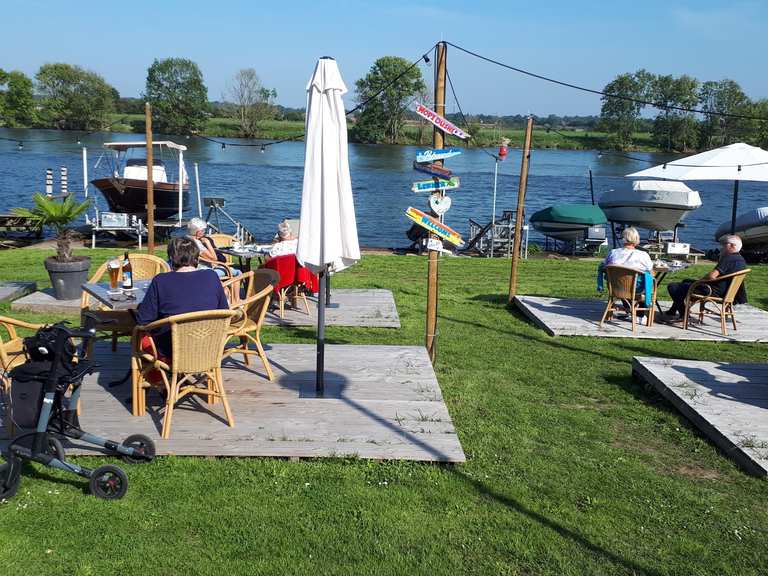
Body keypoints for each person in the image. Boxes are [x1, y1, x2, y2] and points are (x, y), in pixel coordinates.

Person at [135, 236, 229, 358]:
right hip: (209, 346)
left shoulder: (161, 280)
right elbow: (224, 311)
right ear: (196, 256)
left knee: (139, 333)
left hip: (171, 349)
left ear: (171, 257)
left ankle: (155, 375)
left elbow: (144, 320)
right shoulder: (211, 276)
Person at [660, 234, 747, 323]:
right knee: (685, 281)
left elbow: (711, 276)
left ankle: (684, 314)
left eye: (724, 244)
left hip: (712, 291)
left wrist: (699, 281)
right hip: (725, 291)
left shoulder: (729, 258)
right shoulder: (741, 260)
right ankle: (673, 311)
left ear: (732, 246)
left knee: (673, 286)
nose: (721, 247)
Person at [597, 227, 654, 322]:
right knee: (647, 281)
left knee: (623, 281)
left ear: (623, 238)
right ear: (637, 239)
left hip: (616, 287)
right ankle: (640, 315)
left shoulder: (613, 252)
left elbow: (604, 266)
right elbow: (651, 272)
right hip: (636, 289)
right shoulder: (643, 255)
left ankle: (629, 309)